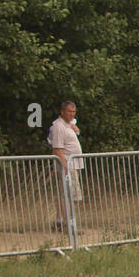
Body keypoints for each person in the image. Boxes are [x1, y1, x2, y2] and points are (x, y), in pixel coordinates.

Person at [48, 99, 83, 231]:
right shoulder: (58, 126)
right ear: (62, 112)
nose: (71, 114)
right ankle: (68, 224)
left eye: (73, 112)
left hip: (73, 165)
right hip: (67, 165)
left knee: (66, 194)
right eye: (69, 111)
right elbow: (57, 149)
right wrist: (65, 167)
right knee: (68, 196)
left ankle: (59, 221)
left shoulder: (69, 125)